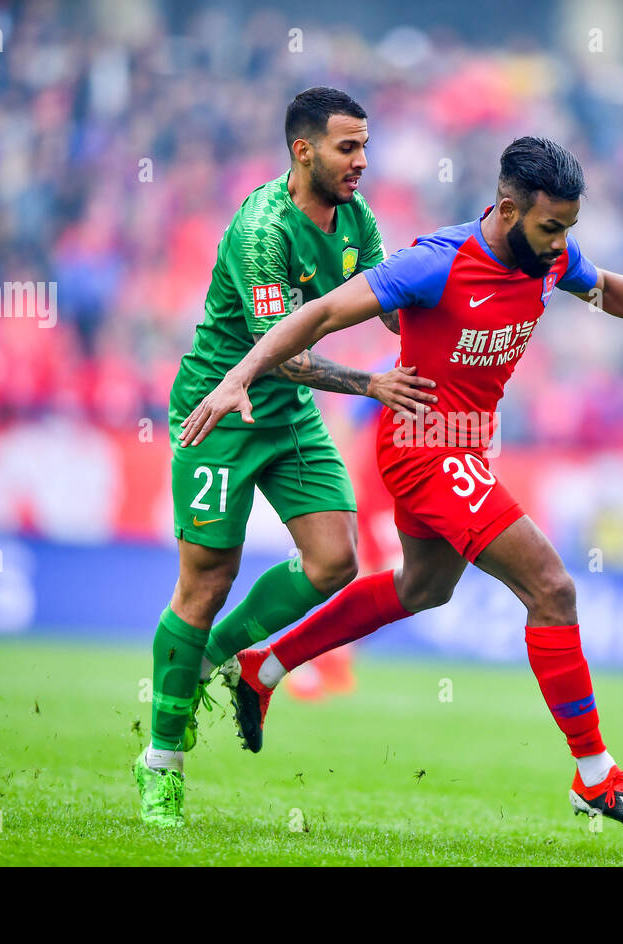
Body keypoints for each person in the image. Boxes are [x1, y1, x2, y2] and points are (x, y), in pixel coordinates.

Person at [180, 136, 623, 831]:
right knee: (552, 587)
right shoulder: (438, 262)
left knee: (423, 588)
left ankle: (264, 664)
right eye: (551, 228)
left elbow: (606, 289)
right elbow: (322, 314)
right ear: (508, 208)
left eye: (569, 229)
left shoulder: (550, 257)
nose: (561, 244)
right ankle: (596, 776)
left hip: (467, 449)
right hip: (422, 446)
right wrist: (241, 374)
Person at [134, 87, 435, 828]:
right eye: (347, 148)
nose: (362, 161)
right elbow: (283, 353)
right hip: (223, 408)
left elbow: (393, 301)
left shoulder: (356, 218)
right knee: (206, 582)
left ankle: (218, 658)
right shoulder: (263, 229)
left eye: (365, 146)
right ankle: (162, 763)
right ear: (304, 151)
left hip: (289, 416)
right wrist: (369, 383)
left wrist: (453, 287)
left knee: (335, 561)